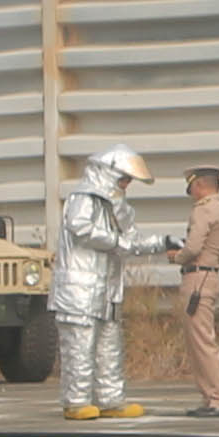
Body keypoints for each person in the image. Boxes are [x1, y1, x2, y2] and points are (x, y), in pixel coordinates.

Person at [51, 144, 150, 421]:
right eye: (124, 178)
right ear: (109, 174)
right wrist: (119, 242)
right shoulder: (84, 199)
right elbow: (81, 228)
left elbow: (132, 240)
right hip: (78, 289)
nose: (127, 185)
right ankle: (76, 402)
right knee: (79, 347)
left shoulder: (118, 207)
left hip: (107, 290)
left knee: (109, 346)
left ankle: (111, 400)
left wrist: (161, 243)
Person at [179, 164, 219, 413]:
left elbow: (193, 247)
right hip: (212, 275)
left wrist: (177, 256)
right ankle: (212, 397)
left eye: (192, 186)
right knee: (203, 340)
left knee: (201, 342)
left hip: (197, 278)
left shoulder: (202, 211)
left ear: (198, 185)